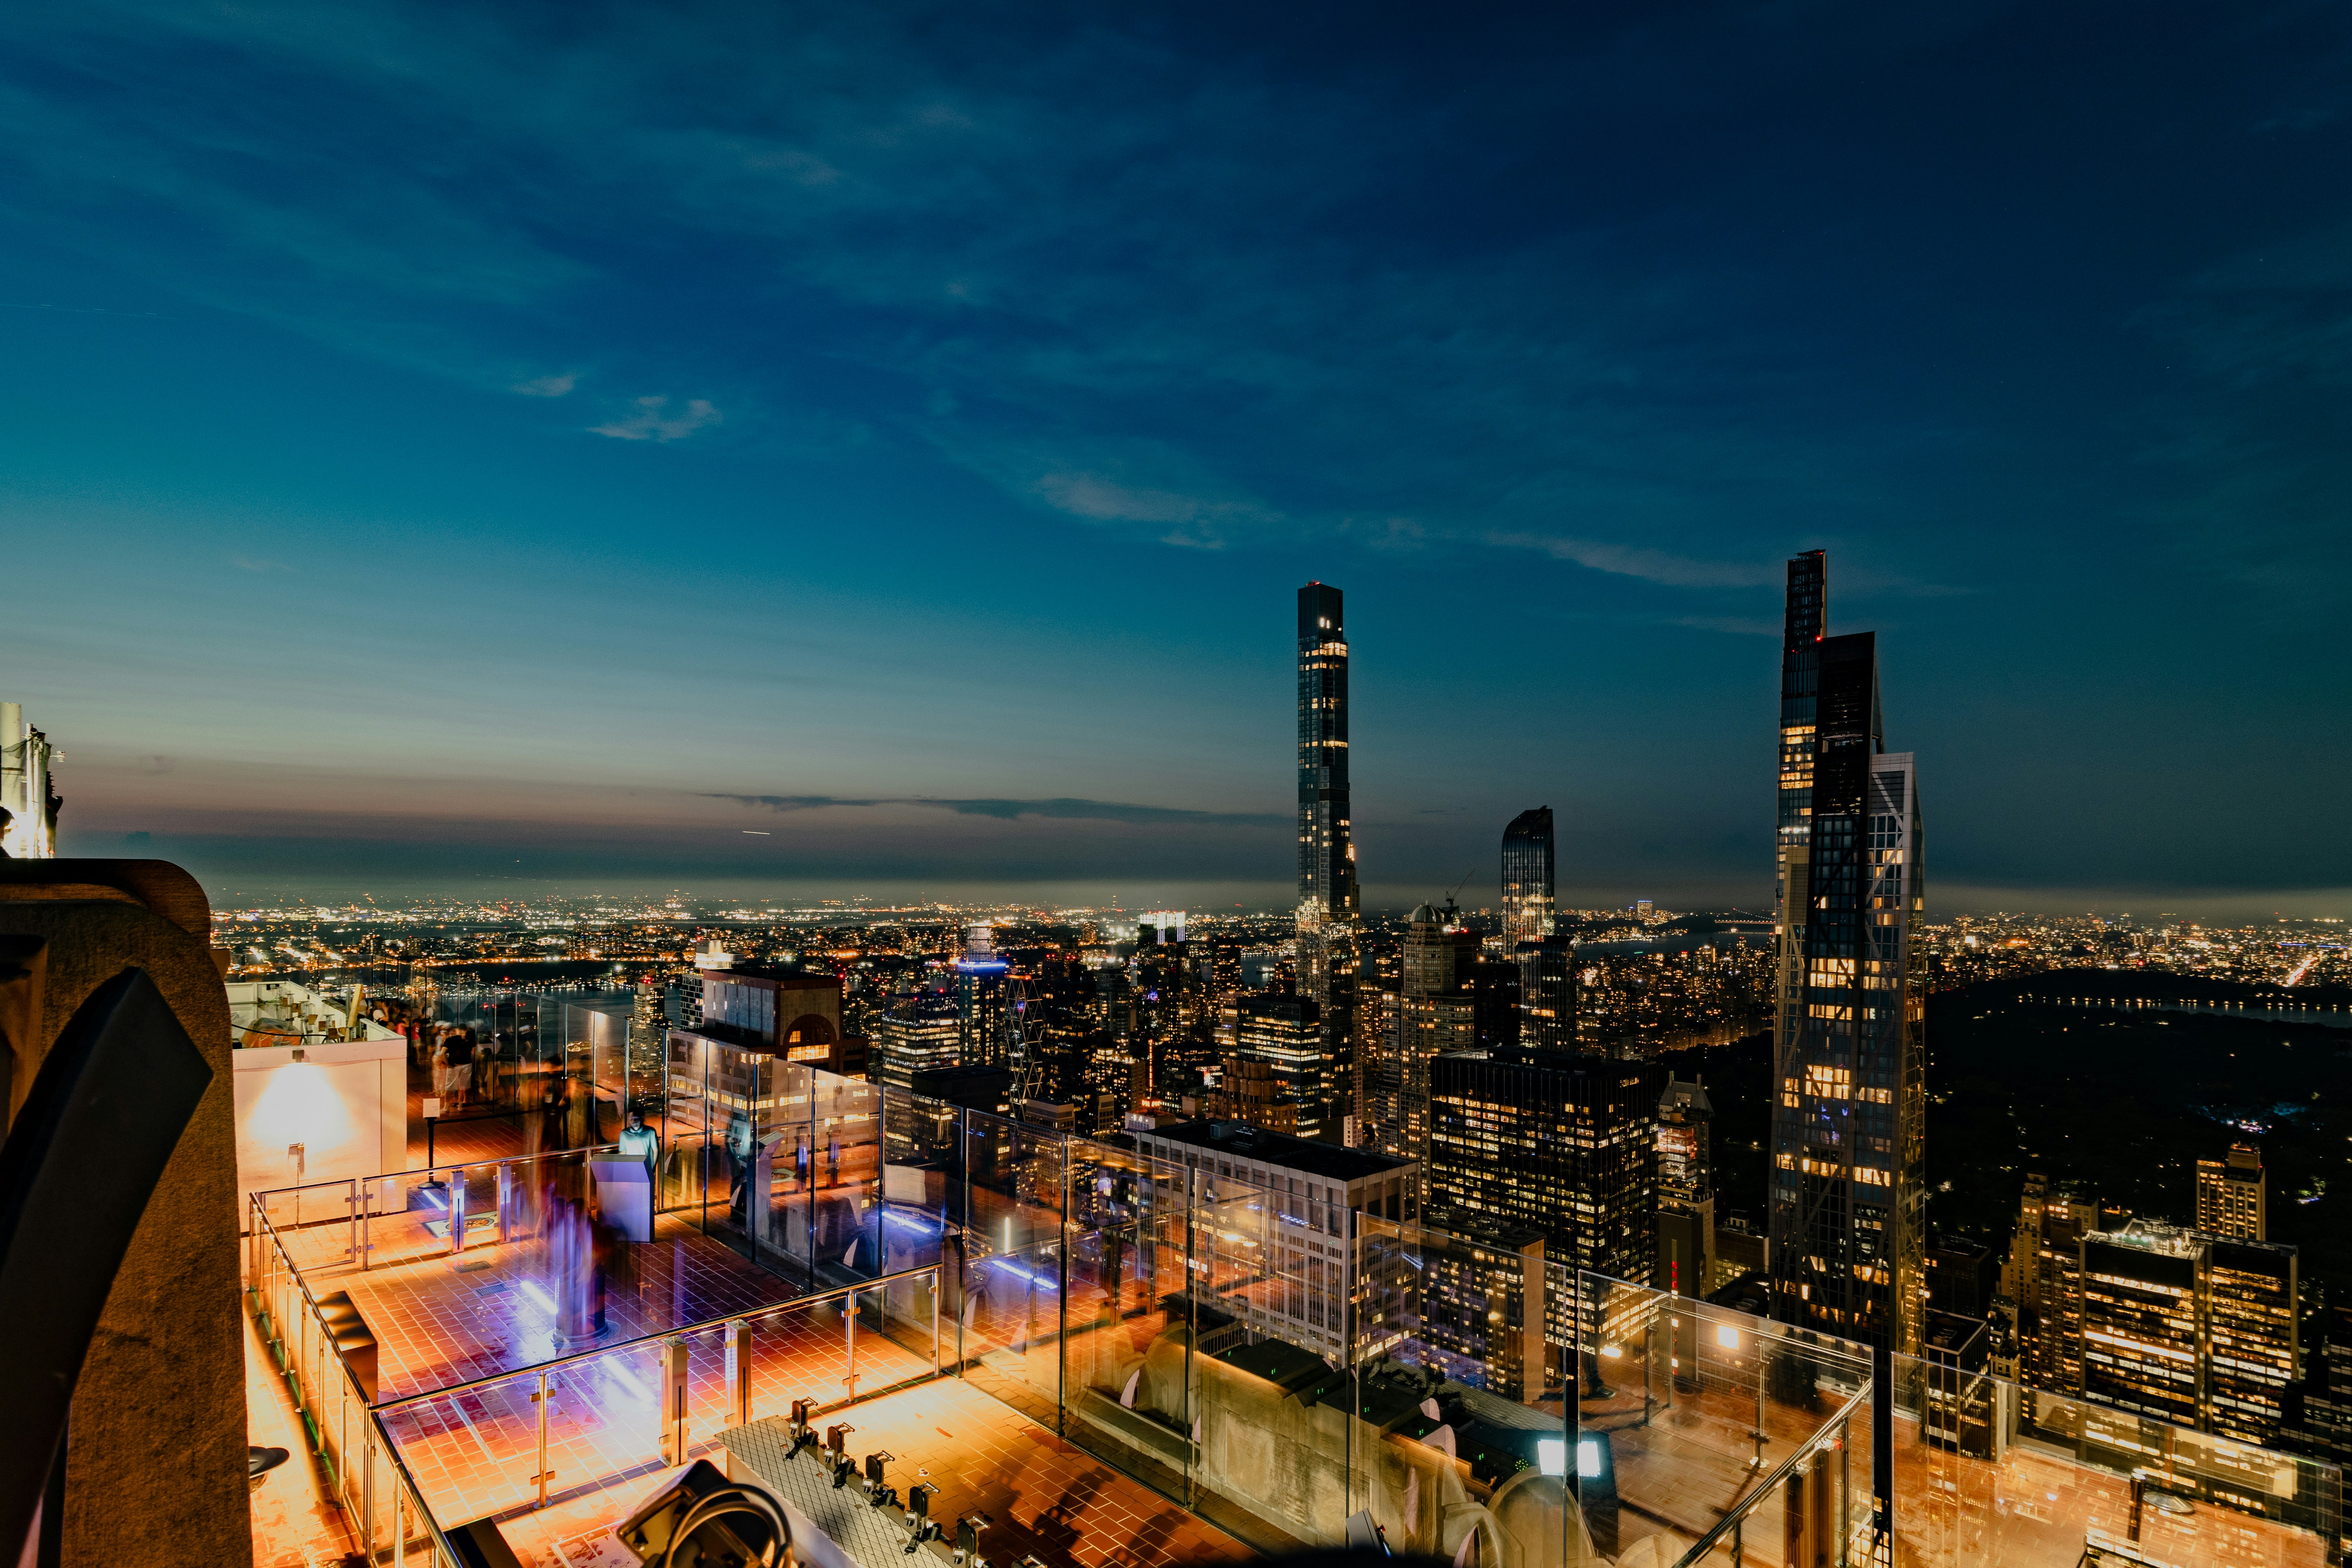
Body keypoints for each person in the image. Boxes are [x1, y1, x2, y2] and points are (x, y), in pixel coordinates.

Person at [445, 1028, 475, 1109]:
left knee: (461, 1085)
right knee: (463, 1085)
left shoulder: (460, 1042)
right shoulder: (471, 1042)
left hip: (460, 1064)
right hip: (468, 1064)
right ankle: (461, 1103)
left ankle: (463, 1102)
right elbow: (473, 1054)